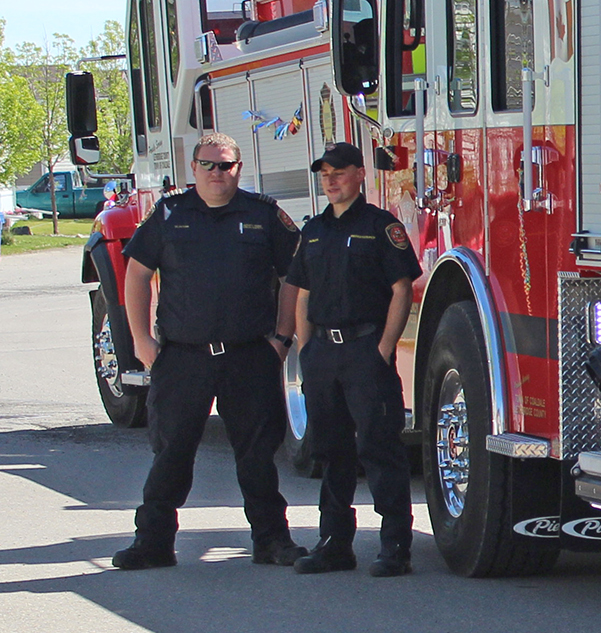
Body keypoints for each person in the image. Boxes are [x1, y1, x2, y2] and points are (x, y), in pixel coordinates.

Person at [113, 129, 305, 570]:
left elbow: (295, 275)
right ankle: (153, 543)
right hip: (183, 357)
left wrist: (281, 337)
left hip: (249, 355)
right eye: (208, 164)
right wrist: (141, 340)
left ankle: (272, 541)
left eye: (226, 165)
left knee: (257, 456)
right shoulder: (168, 215)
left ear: (239, 168)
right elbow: (137, 274)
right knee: (172, 454)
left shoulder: (264, 215)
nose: (217, 172)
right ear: (193, 169)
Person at [288, 142, 422, 577]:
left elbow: (402, 289)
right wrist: (305, 350)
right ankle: (333, 543)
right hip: (324, 352)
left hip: (366, 350)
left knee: (379, 448)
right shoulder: (313, 231)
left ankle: (395, 545)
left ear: (360, 174)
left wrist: (384, 349)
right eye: (324, 173)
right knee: (330, 450)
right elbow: (303, 292)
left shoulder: (381, 227)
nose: (330, 180)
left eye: (339, 172)